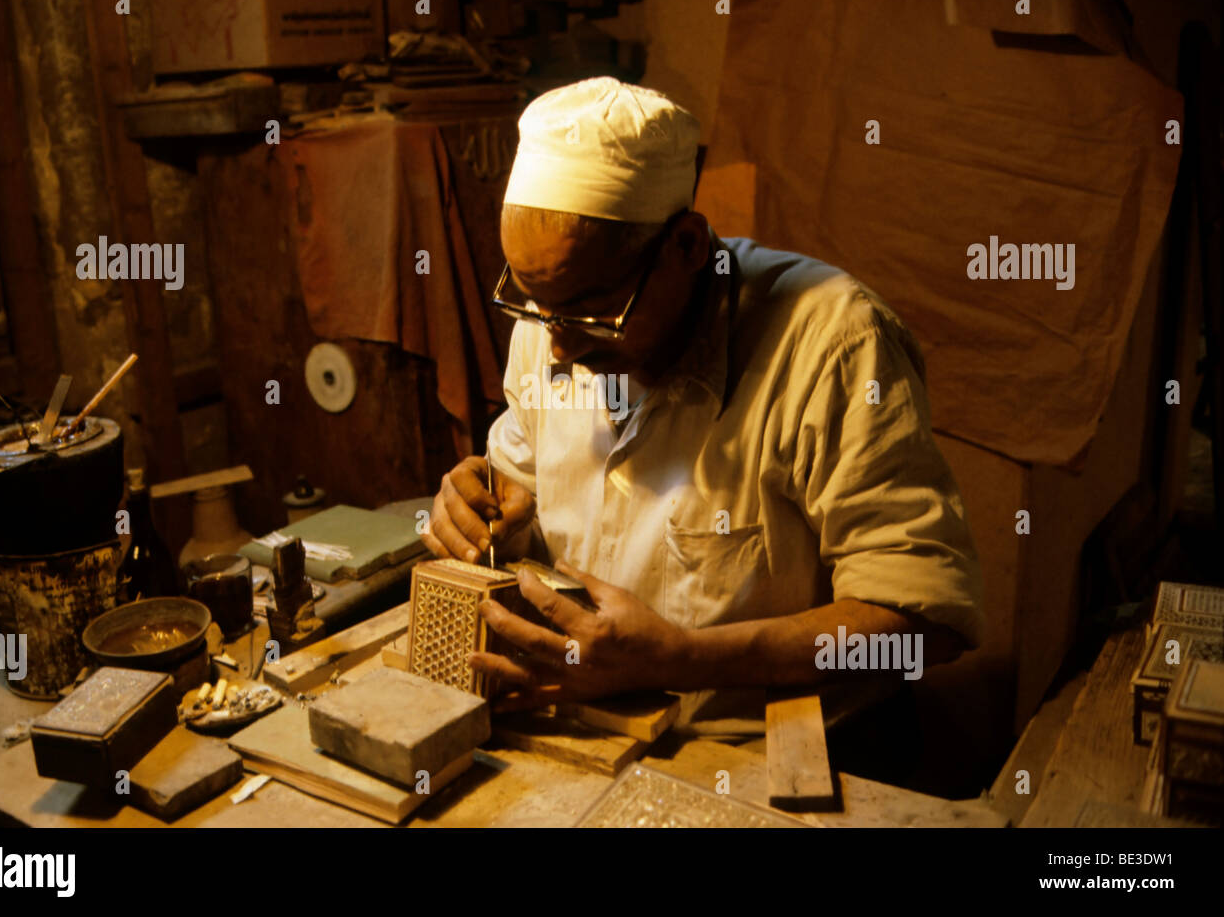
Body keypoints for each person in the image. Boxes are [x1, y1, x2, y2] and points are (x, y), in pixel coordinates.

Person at [421, 77, 985, 733]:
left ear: (687, 246)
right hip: (582, 731)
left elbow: (927, 627)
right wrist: (484, 502)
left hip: (753, 757)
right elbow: (515, 481)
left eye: (591, 312)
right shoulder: (551, 321)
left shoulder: (834, 344)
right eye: (531, 301)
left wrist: (682, 658)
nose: (557, 348)